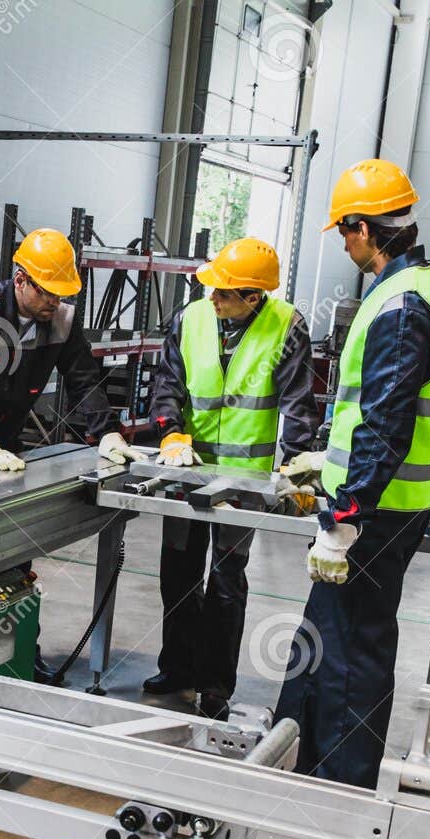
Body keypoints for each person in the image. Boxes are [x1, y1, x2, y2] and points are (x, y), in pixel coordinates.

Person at [276, 158, 430, 788]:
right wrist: (325, 457)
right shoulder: (427, 286)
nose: (343, 243)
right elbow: (375, 408)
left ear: (363, 228)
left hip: (375, 514)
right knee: (324, 637)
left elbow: (387, 421)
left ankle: (341, 786)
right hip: (385, 501)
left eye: (343, 232)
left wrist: (344, 516)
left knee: (354, 650)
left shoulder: (404, 305)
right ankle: (302, 761)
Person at [140, 237, 317, 720]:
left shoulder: (288, 327)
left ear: (253, 298)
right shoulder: (190, 318)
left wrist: (298, 466)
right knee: (178, 571)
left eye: (223, 293)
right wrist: (171, 433)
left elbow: (299, 404)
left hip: (245, 480)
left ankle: (215, 684)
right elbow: (167, 384)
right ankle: (177, 669)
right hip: (185, 470)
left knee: (225, 579)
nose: (211, 298)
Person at [0, 228, 141, 473]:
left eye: (61, 294)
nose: (55, 303)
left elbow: (84, 380)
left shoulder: (63, 318)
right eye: (47, 293)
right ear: (21, 280)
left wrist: (106, 432)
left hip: (5, 437)